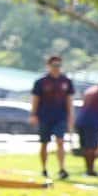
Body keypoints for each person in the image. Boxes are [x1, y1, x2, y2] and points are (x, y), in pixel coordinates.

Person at [31, 53, 75, 181]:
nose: (56, 67)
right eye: (54, 65)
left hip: (60, 117)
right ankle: (44, 169)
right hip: (44, 116)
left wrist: (71, 116)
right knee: (44, 143)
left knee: (60, 141)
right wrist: (33, 114)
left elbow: (69, 100)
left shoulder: (66, 81)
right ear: (48, 66)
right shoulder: (41, 82)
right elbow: (35, 99)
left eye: (59, 65)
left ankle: (62, 169)